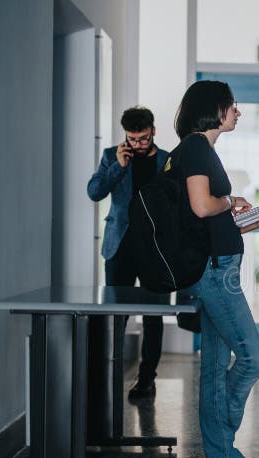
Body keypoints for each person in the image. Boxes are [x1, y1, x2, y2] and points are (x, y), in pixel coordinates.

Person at [173, 80, 259, 458]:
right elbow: (204, 207)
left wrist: (255, 217)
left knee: (215, 366)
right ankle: (223, 439)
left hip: (217, 264)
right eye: (231, 106)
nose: (236, 112)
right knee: (255, 358)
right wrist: (230, 201)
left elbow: (211, 223)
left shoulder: (198, 150)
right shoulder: (197, 148)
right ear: (214, 110)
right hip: (214, 273)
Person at [88, 106, 169, 400]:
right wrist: (117, 168)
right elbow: (94, 192)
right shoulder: (113, 156)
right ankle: (108, 375)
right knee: (115, 316)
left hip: (155, 251)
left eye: (144, 138)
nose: (138, 144)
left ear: (153, 131)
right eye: (133, 139)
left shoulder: (167, 161)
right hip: (120, 248)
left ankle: (147, 379)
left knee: (154, 315)